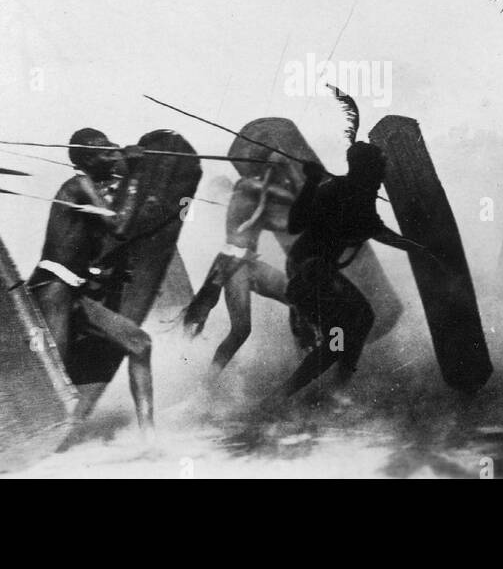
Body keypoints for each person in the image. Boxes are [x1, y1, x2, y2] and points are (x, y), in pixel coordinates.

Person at [26, 128, 157, 435]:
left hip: (74, 293)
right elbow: (119, 225)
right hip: (53, 288)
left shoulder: (95, 187)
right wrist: (135, 172)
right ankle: (40, 440)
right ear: (86, 159)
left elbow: (119, 216)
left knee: (140, 343)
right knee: (53, 373)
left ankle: (150, 438)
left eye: (112, 149)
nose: (112, 153)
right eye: (104, 152)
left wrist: (127, 170)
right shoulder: (78, 184)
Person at [277, 142, 421, 400]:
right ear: (364, 170)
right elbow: (295, 224)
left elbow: (377, 230)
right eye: (378, 169)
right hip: (307, 271)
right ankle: (287, 396)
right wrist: (311, 183)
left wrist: (419, 249)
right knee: (341, 335)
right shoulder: (334, 190)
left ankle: (334, 391)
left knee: (359, 320)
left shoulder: (360, 193)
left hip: (317, 271)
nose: (382, 176)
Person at [183, 153, 319, 376]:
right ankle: (208, 382)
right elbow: (288, 197)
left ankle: (306, 359)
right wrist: (296, 177)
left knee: (299, 298)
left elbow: (286, 222)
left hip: (250, 264)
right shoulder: (245, 185)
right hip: (233, 265)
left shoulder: (258, 205)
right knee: (241, 330)